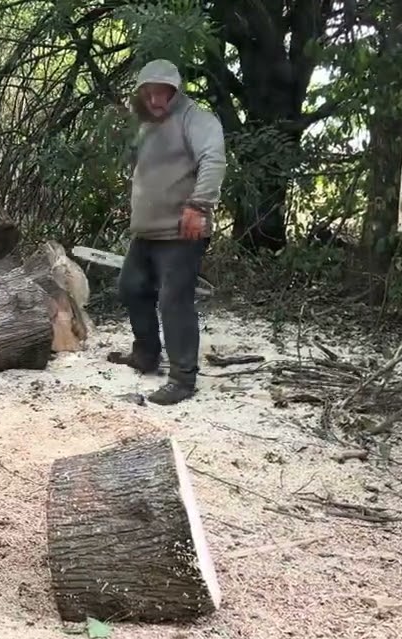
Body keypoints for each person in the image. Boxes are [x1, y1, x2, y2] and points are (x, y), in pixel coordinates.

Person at [109, 58, 226, 405]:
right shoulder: (148, 125)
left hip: (182, 232)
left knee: (174, 301)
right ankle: (146, 355)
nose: (156, 101)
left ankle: (182, 379)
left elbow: (214, 160)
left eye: (162, 94)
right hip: (147, 233)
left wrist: (199, 205)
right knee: (131, 287)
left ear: (175, 92)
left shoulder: (197, 119)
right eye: (149, 94)